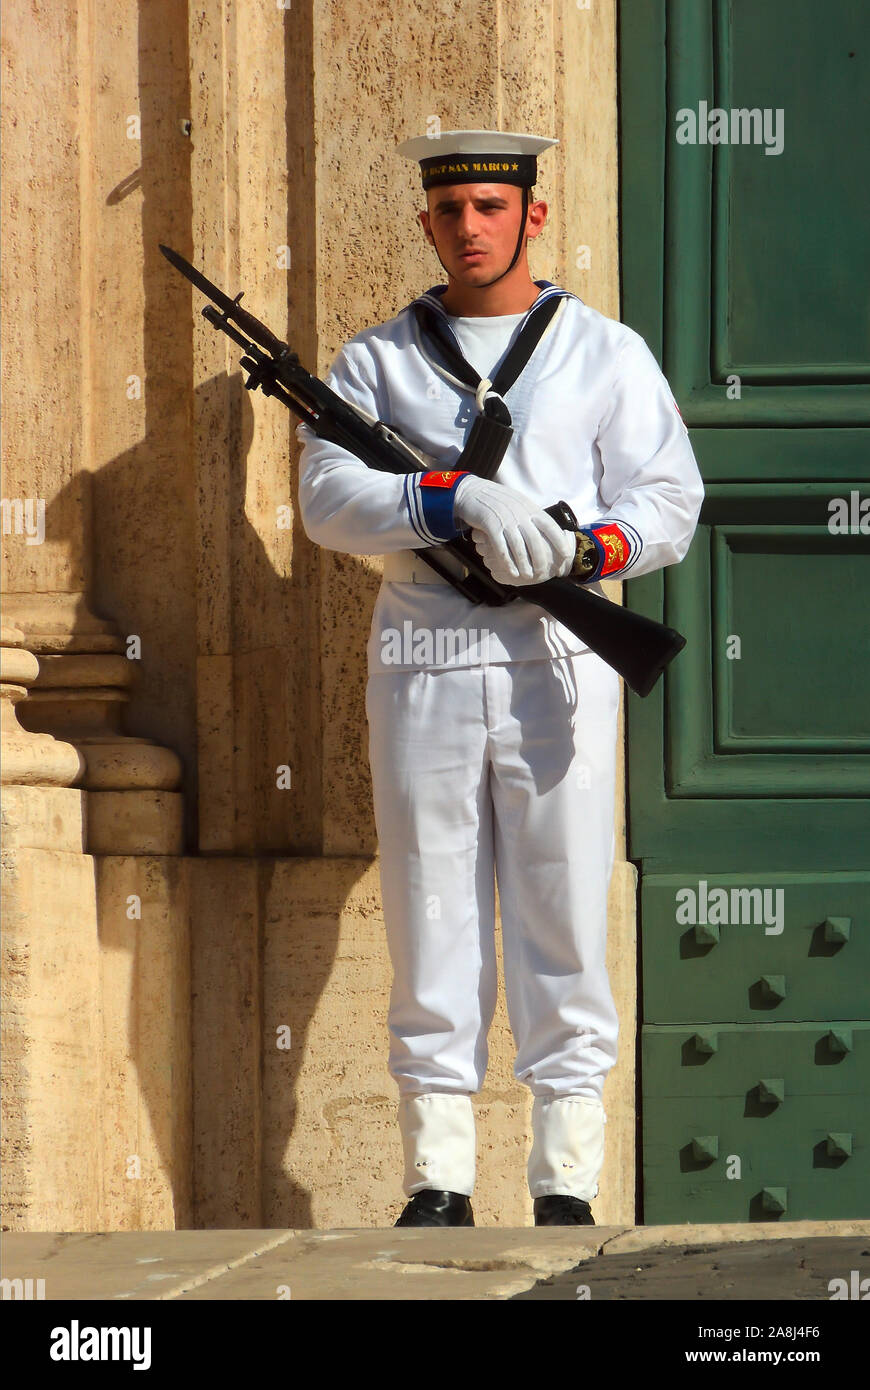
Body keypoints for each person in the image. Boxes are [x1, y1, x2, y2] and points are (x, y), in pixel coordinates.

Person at [296, 129, 704, 1227]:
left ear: (530, 213)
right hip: (424, 658)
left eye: (490, 205)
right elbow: (326, 501)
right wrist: (447, 498)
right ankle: (438, 1176)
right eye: (450, 210)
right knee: (430, 907)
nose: (469, 227)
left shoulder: (604, 353)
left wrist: (581, 553)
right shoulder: (376, 361)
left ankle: (567, 1178)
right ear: (425, 224)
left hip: (559, 658)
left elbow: (670, 502)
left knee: (562, 904)